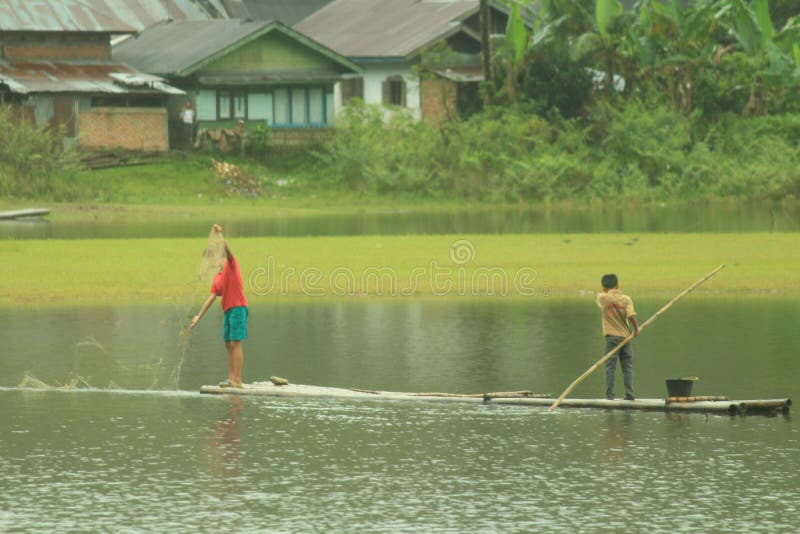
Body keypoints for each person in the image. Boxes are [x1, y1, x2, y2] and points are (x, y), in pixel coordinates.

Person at [190, 224, 248, 388]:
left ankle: (238, 380)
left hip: (238, 308)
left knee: (236, 343)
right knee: (227, 343)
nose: (210, 261)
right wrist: (198, 316)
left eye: (212, 258)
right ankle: (231, 378)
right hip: (228, 310)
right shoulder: (218, 276)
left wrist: (220, 235)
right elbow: (212, 296)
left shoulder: (231, 264)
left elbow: (228, 252)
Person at [596, 274, 639, 401]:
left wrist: (606, 294)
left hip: (612, 338)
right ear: (618, 285)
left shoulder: (602, 297)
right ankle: (630, 394)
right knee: (627, 367)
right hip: (626, 338)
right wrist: (636, 329)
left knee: (610, 367)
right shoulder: (626, 299)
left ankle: (609, 396)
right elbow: (631, 316)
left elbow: (599, 299)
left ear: (604, 287)